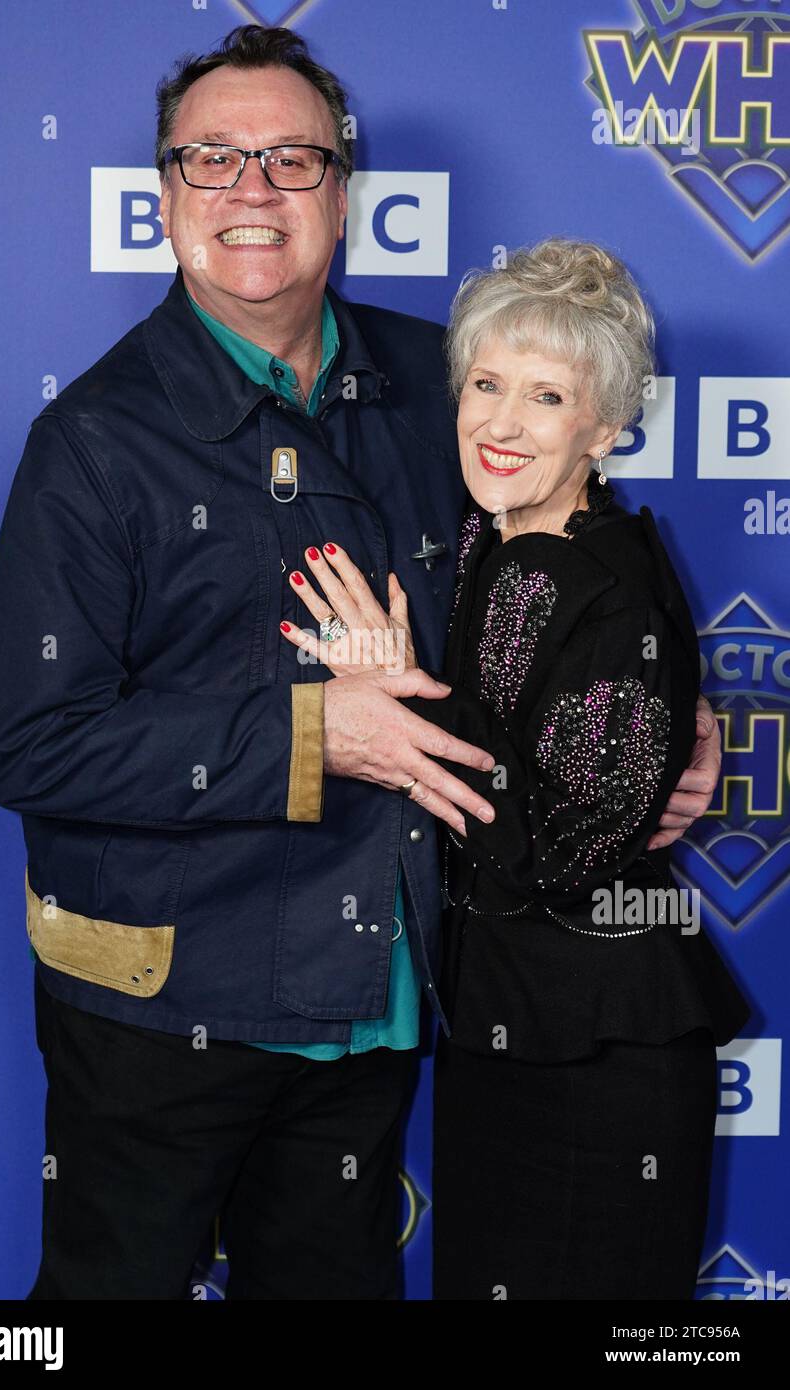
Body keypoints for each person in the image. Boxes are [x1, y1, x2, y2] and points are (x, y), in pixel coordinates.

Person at [0, 23, 721, 1301]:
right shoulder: (92, 442)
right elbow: (33, 740)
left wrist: (654, 707)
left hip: (375, 992)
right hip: (161, 1010)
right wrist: (326, 735)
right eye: (211, 160)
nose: (250, 190)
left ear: (341, 195)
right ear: (163, 200)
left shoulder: (436, 392)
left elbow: (552, 565)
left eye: (290, 159)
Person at [282, 237, 750, 1302]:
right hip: (513, 1026)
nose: (499, 422)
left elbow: (553, 847)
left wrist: (398, 684)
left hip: (595, 1051)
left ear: (606, 426)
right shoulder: (499, 538)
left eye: (545, 396)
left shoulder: (584, 571)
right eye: (485, 384)